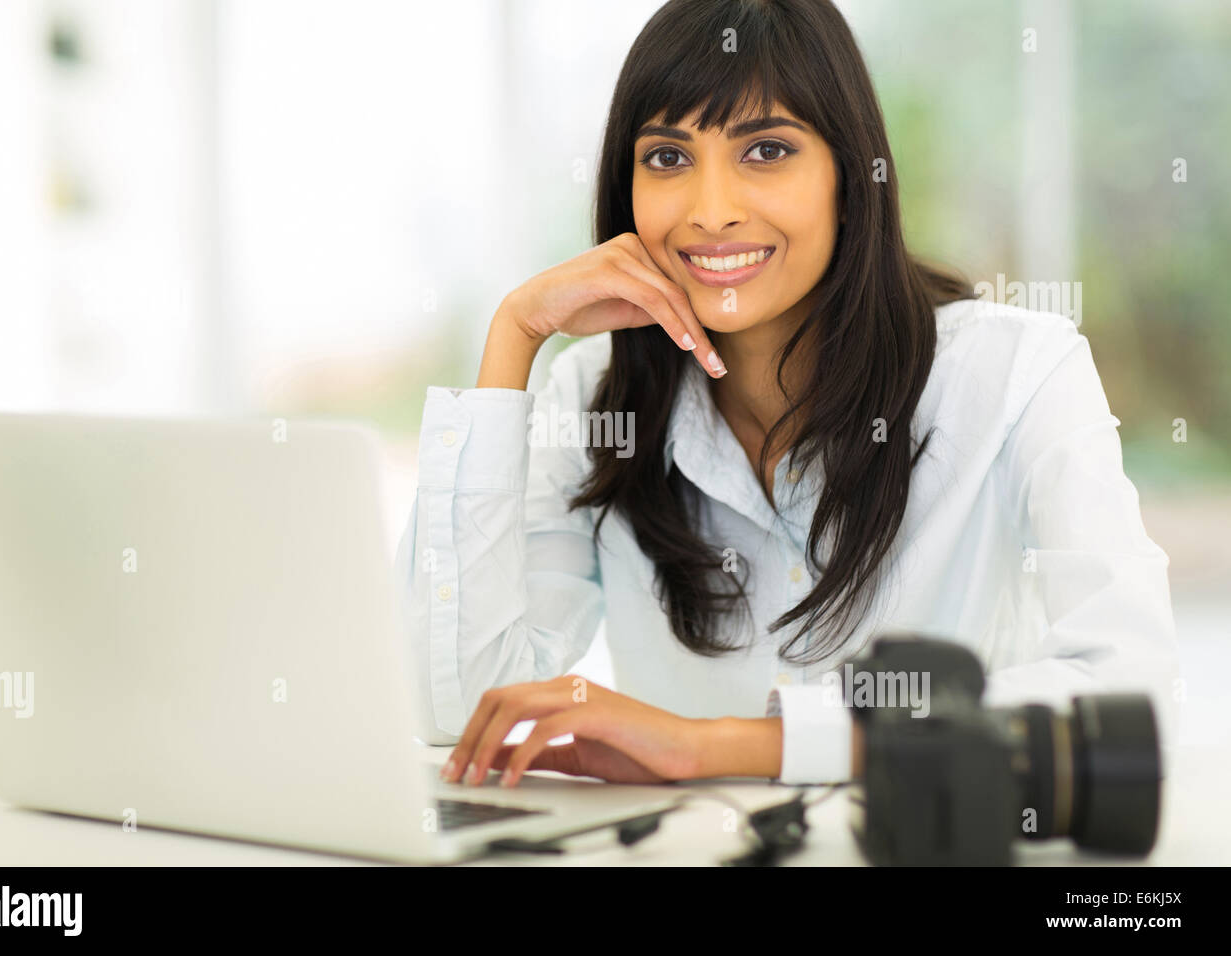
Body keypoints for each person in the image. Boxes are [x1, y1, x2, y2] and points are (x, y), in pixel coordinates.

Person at [391, 0, 1179, 790]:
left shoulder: (1016, 374)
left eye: (765, 149)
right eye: (667, 157)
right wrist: (515, 335)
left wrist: (729, 748)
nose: (711, 210)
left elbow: (1130, 698)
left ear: (851, 171)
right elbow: (461, 713)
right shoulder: (594, 401)